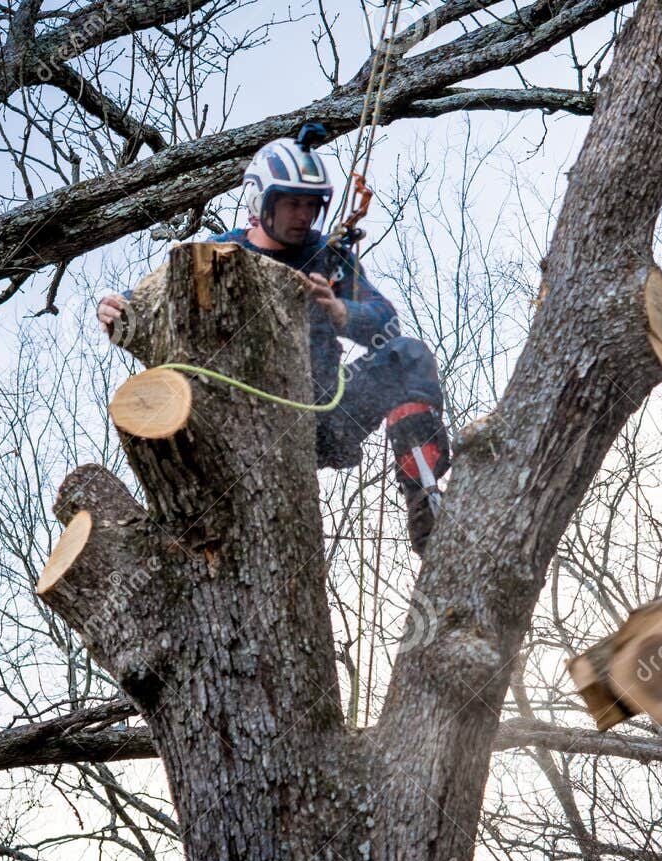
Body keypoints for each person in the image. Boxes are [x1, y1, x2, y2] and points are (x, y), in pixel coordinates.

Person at [97, 128, 451, 556]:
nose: (303, 216)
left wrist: (341, 313)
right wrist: (119, 309)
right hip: (245, 422)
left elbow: (385, 322)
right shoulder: (220, 252)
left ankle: (425, 502)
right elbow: (149, 304)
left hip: (324, 415)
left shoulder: (328, 257)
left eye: (311, 205)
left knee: (408, 356)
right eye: (291, 203)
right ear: (261, 200)